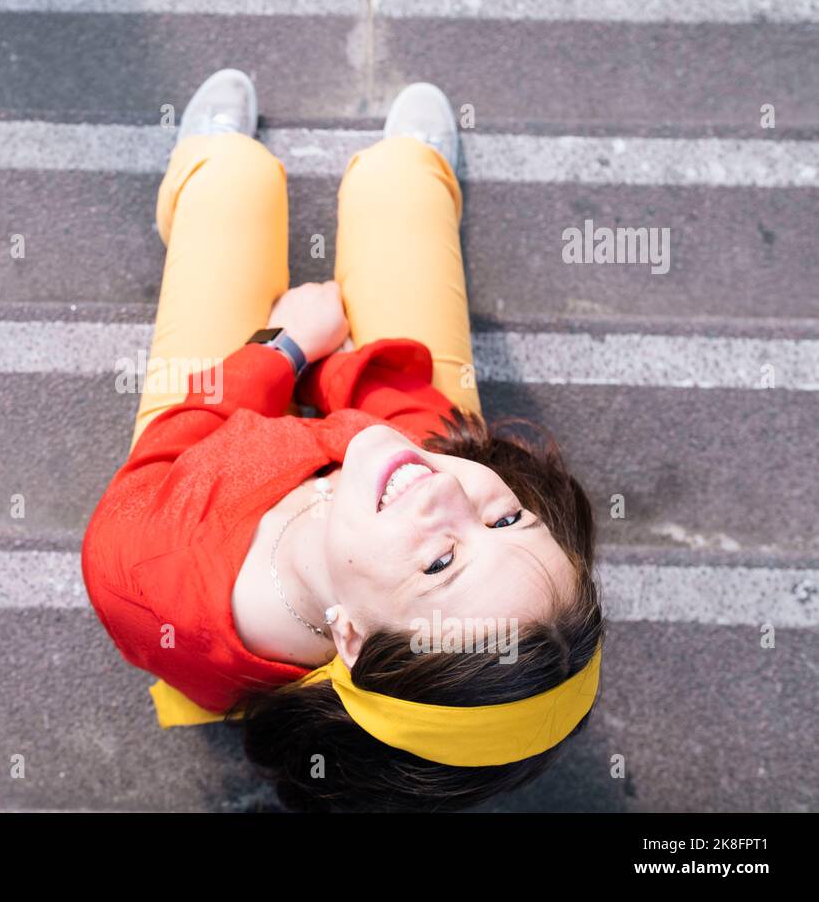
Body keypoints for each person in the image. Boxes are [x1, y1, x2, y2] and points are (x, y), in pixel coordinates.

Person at [81, 69, 606, 812]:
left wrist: (286, 347)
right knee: (400, 188)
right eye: (509, 519)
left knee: (233, 183)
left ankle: (203, 161)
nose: (456, 490)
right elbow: (410, 414)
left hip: (206, 431)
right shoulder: (431, 476)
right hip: (370, 436)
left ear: (351, 641)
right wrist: (344, 373)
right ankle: (411, 170)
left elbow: (179, 431)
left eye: (441, 562)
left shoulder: (147, 575)